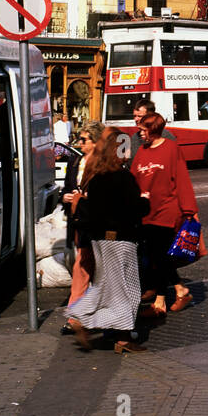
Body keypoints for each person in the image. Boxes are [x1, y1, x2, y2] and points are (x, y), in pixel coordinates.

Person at [65, 127, 150, 352]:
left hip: (99, 239)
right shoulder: (122, 177)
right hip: (120, 239)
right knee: (128, 289)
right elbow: (131, 210)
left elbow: (96, 209)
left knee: (105, 286)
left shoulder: (96, 175)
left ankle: (81, 318)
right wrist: (145, 201)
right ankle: (121, 338)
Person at [130, 111, 197, 315]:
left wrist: (189, 211)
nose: (139, 133)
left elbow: (182, 179)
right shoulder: (142, 151)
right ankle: (180, 289)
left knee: (159, 255)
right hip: (146, 213)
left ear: (153, 130)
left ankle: (160, 302)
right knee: (156, 256)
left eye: (142, 130)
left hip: (167, 211)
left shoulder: (171, 149)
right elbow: (133, 180)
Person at [62, 122, 101, 299]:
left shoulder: (104, 164)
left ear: (96, 141)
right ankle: (79, 306)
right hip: (78, 220)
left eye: (84, 140)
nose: (80, 143)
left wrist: (86, 196)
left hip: (96, 222)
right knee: (82, 261)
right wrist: (66, 197)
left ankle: (79, 306)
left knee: (89, 263)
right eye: (80, 139)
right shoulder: (75, 161)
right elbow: (66, 187)